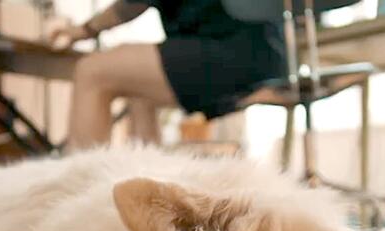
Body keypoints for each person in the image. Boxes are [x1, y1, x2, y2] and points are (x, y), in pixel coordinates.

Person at [52, 0, 286, 149]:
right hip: (268, 51)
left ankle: (79, 193)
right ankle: (144, 195)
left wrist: (83, 31)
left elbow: (129, 7)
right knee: (139, 92)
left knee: (91, 71)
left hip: (231, 49)